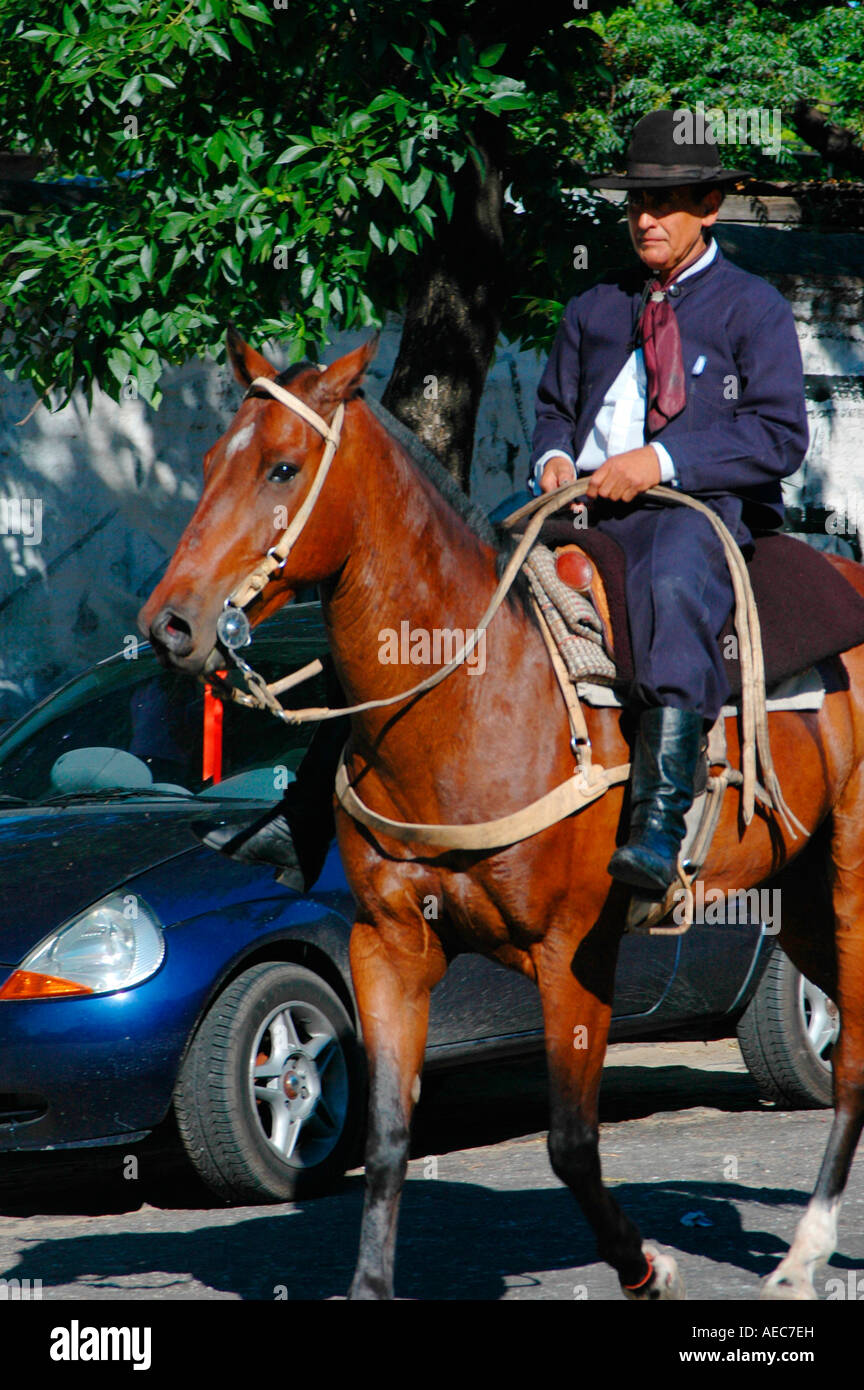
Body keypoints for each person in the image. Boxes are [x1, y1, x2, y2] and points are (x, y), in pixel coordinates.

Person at [530, 108, 809, 894]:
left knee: (674, 583)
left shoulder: (753, 307)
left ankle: (657, 823)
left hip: (694, 513)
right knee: (445, 574)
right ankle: (308, 812)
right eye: (634, 205)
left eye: (667, 202)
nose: (645, 218)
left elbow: (781, 436)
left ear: (710, 205)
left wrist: (661, 460)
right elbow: (554, 408)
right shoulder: (592, 307)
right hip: (578, 507)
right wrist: (553, 457)